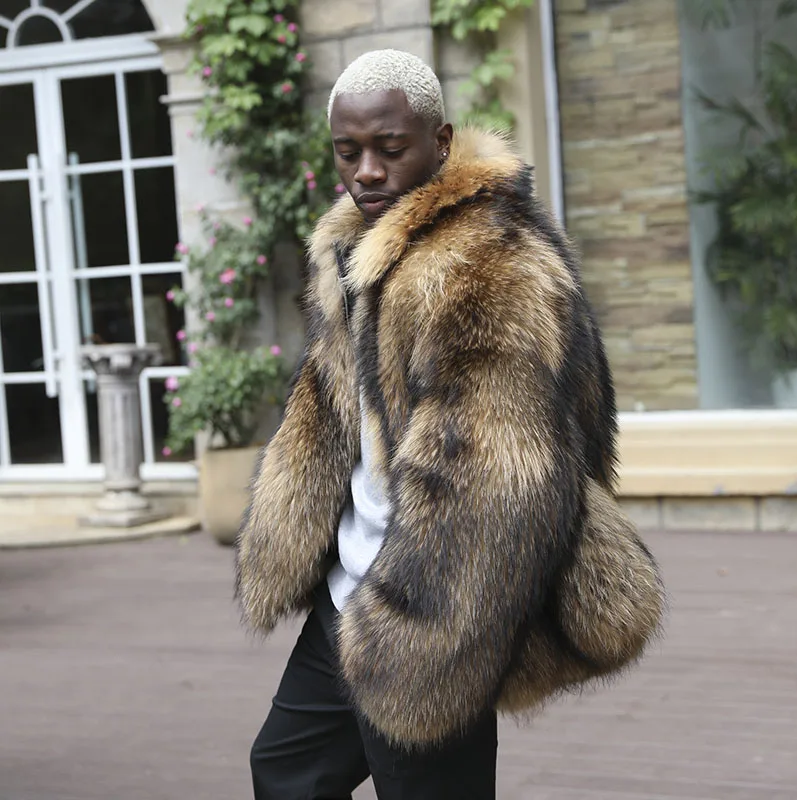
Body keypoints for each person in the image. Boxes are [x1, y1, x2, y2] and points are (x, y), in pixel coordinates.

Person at [236, 49, 664, 800]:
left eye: (389, 148)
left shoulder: (488, 266)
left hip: (435, 603)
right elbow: (335, 410)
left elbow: (493, 480)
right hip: (349, 589)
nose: (367, 171)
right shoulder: (354, 248)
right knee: (285, 771)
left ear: (440, 142)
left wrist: (427, 624)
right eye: (347, 152)